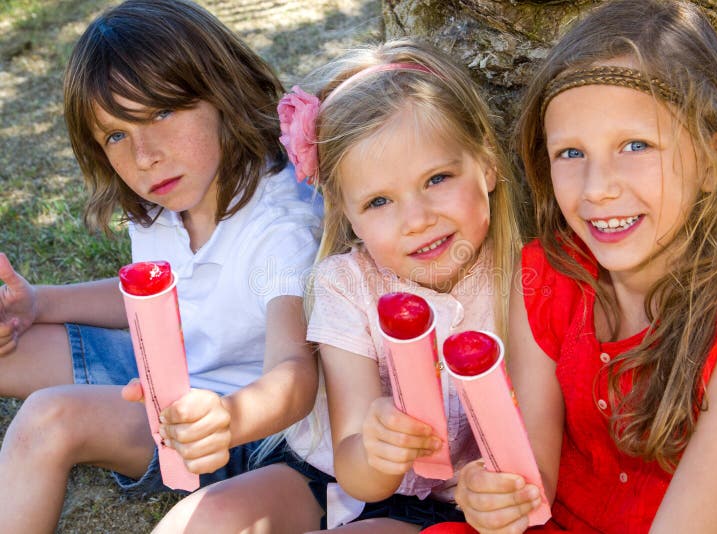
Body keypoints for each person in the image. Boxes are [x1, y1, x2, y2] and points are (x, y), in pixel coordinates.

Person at [426, 0, 717, 532]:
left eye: (635, 145)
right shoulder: (543, 279)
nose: (598, 187)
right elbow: (533, 481)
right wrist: (497, 496)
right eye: (571, 154)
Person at [151, 38, 523, 533]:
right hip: (336, 473)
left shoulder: (526, 280)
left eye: (437, 179)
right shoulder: (347, 285)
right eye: (379, 202)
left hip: (454, 503)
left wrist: (489, 482)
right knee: (199, 521)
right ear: (345, 214)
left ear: (488, 163)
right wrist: (377, 448)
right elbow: (355, 467)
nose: (416, 219)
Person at [0, 1, 322, 532]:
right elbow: (155, 295)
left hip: (237, 430)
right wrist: (40, 303)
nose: (144, 155)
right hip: (164, 369)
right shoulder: (164, 201)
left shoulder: (281, 228)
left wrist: (227, 418)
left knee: (47, 417)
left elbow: (296, 375)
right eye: (116, 135)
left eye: (160, 113)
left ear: (222, 91)